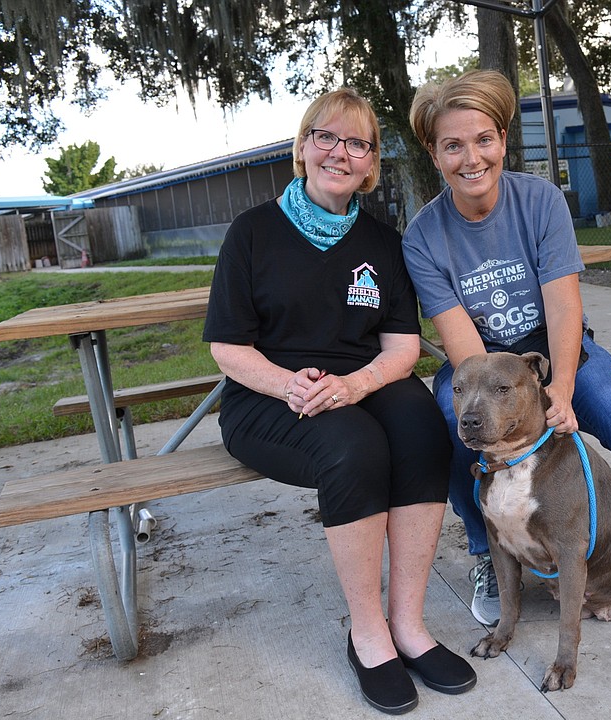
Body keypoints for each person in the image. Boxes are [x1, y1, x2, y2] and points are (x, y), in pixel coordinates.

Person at [401, 70, 611, 670]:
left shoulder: (539, 200)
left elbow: (564, 303)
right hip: (485, 366)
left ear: (503, 139)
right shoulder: (424, 235)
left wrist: (559, 388)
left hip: (558, 352)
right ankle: (491, 549)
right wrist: (504, 408)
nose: (470, 157)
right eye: (452, 145)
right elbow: (465, 352)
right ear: (434, 152)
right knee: (449, 427)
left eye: (483, 139)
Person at [203, 88, 475, 714]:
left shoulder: (381, 242)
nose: (340, 152)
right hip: (268, 397)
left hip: (361, 385)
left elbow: (403, 346)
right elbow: (228, 349)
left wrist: (354, 386)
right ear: (302, 148)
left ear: (371, 164)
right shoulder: (252, 233)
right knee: (353, 448)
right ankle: (369, 633)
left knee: (422, 428)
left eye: (358, 143)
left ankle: (409, 624)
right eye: (326, 136)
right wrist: (288, 383)